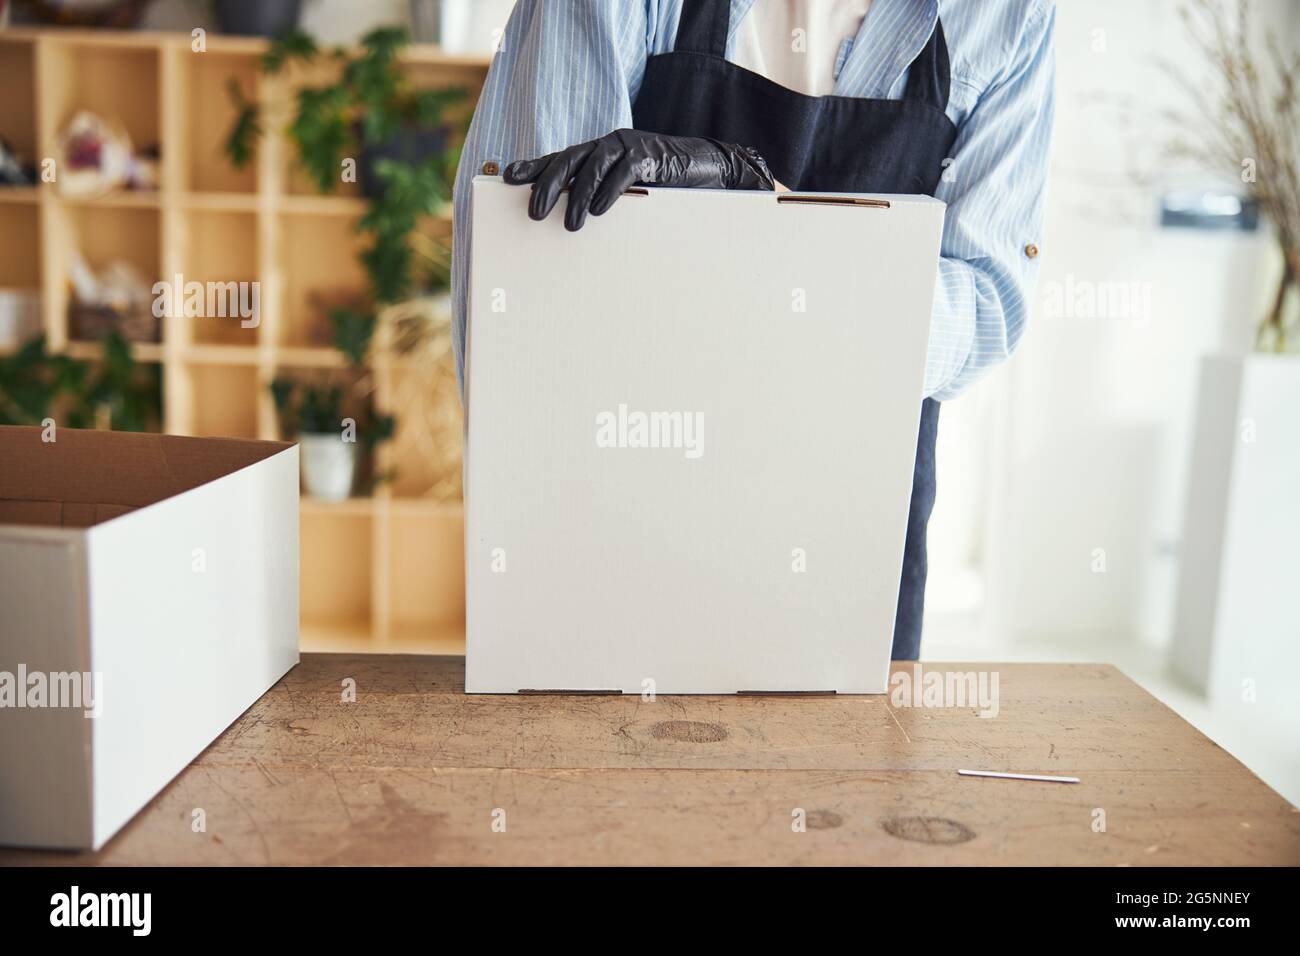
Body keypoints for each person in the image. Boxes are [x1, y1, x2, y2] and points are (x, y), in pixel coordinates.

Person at [452, 0, 1056, 659]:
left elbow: (986, 302)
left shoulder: (1009, 13)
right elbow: (535, 293)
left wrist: (758, 204)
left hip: (853, 550)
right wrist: (821, 272)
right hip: (613, 514)